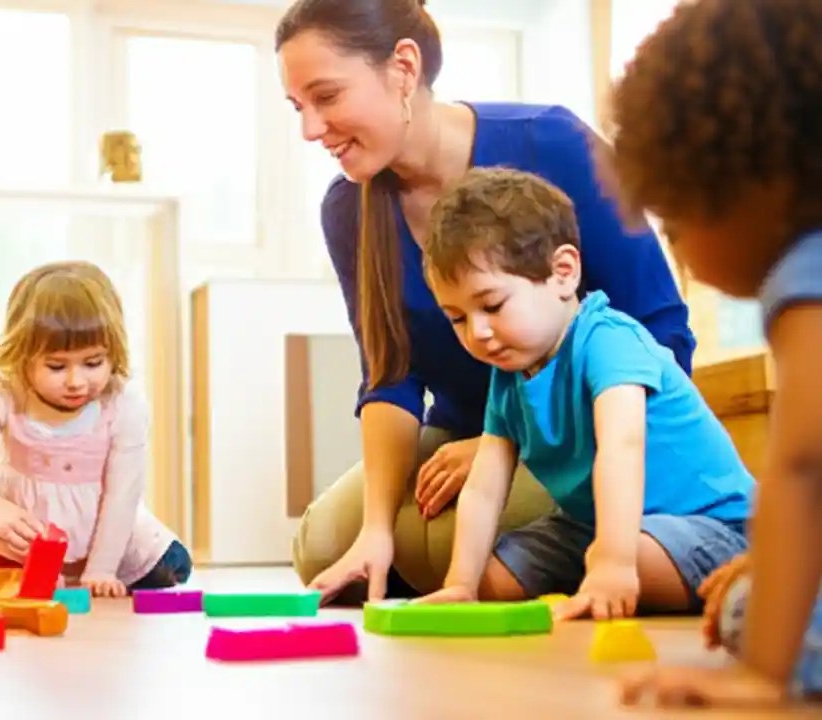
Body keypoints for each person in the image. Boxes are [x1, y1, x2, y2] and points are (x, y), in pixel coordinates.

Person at [275, 0, 696, 602]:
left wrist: (511, 447)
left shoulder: (554, 143)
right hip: (467, 431)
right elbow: (389, 378)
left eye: (327, 97)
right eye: (299, 108)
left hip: (589, 428)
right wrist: (374, 531)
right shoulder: (348, 209)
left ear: (402, 67)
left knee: (452, 547)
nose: (311, 130)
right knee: (327, 546)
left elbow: (663, 334)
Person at [603, 0, 822, 708]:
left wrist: (761, 670)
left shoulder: (805, 273)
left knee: (749, 615)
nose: (679, 252)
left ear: (749, 182)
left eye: (675, 220)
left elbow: (804, 465)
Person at [415, 167, 753, 619]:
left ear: (563, 272)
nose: (478, 332)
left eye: (493, 305)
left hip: (713, 527)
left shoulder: (608, 339)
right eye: (457, 318)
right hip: (591, 527)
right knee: (492, 583)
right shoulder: (509, 374)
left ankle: (631, 573)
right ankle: (603, 570)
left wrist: (614, 562)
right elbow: (484, 485)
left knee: (635, 559)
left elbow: (622, 446)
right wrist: (461, 582)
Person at [0, 260, 190, 598]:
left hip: (104, 529)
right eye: (56, 366)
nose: (76, 382)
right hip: (23, 531)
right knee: (22, 587)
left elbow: (122, 495)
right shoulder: (1, 392)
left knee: (174, 565)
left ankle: (89, 569)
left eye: (93, 363)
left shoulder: (123, 403)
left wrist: (101, 569)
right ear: (22, 355)